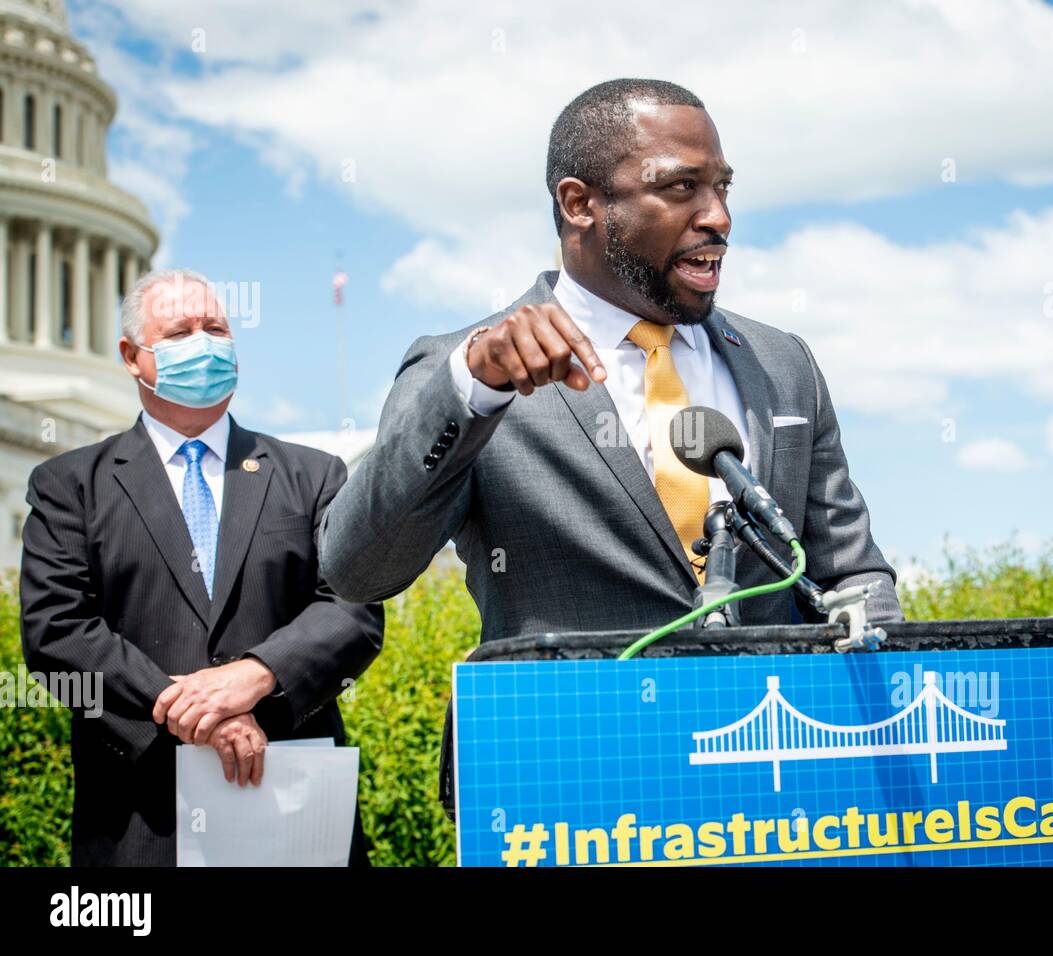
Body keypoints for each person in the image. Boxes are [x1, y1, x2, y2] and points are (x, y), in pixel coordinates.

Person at [319, 77, 902, 633]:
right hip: (568, 732)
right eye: (681, 187)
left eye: (722, 187)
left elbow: (850, 574)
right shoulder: (470, 373)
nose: (718, 216)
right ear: (579, 204)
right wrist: (474, 390)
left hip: (763, 729)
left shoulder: (784, 362)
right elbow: (359, 572)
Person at [20, 268, 384, 866]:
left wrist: (258, 674)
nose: (204, 343)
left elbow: (353, 609)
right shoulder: (69, 486)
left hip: (292, 802)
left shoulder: (314, 476)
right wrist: (193, 713)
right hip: (140, 819)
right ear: (132, 357)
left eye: (215, 328)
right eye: (181, 330)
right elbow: (57, 633)